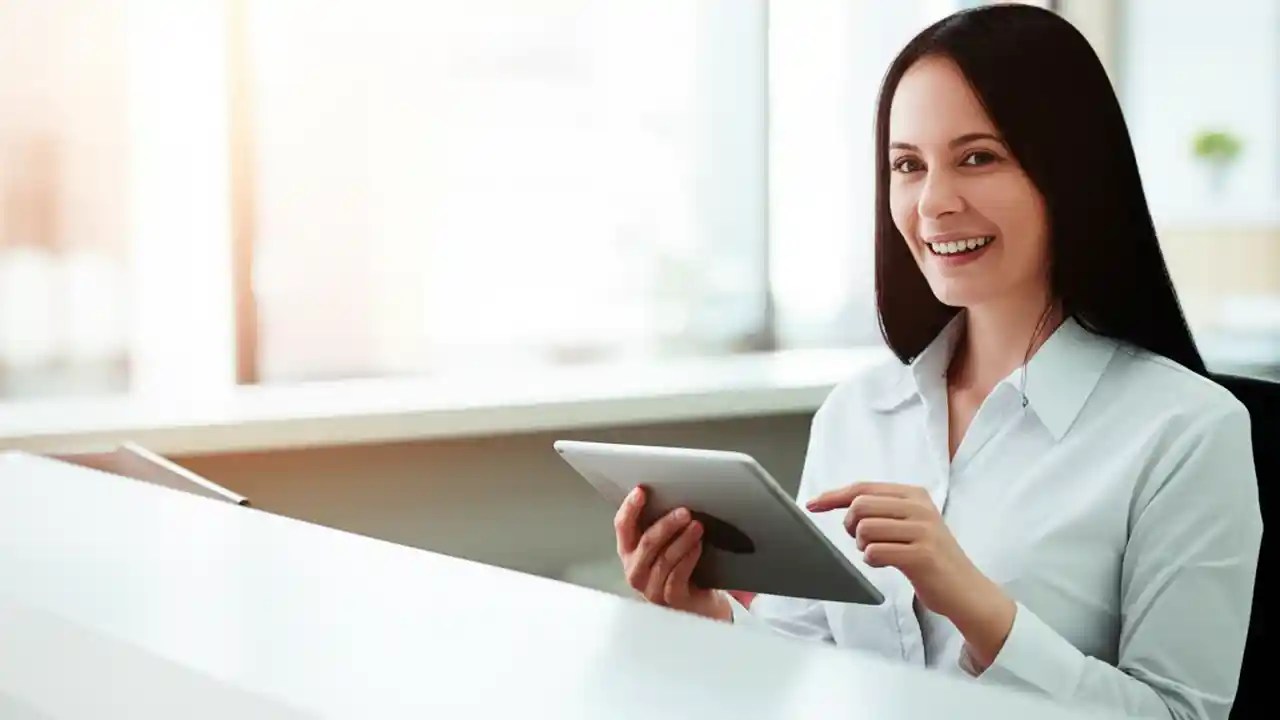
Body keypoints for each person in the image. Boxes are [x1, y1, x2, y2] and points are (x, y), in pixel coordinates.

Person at [610, 5, 1261, 719]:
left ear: (1069, 172)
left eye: (978, 157)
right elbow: (800, 663)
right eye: (907, 166)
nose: (933, 203)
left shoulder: (1189, 432)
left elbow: (1181, 716)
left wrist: (973, 600)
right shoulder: (856, 414)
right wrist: (707, 614)